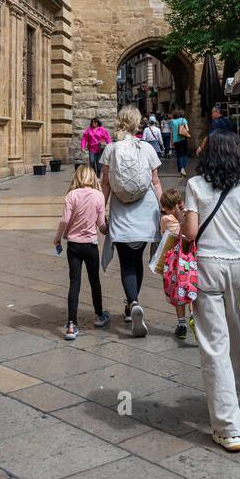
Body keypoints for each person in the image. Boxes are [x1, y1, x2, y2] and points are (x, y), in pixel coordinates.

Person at [177, 130, 240, 453]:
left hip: (207, 265)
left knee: (214, 343)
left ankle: (228, 427)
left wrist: (180, 224)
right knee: (234, 333)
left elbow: (191, 232)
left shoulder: (195, 186)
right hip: (239, 266)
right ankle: (233, 397)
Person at [100, 104, 162, 336]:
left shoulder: (110, 149)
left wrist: (100, 213)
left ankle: (133, 303)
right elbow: (155, 182)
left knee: (126, 262)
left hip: (121, 211)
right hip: (146, 212)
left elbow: (105, 184)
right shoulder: (147, 149)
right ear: (138, 124)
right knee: (138, 258)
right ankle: (131, 304)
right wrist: (164, 209)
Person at [54, 164, 110, 340]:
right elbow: (101, 225)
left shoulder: (71, 195)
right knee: (94, 281)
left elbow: (64, 220)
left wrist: (58, 238)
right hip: (90, 245)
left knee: (74, 283)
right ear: (93, 177)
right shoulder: (99, 196)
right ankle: (99, 315)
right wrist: (107, 228)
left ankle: (71, 325)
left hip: (74, 246)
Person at [159, 188, 194, 340]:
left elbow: (164, 236)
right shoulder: (189, 216)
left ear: (166, 207)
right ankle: (193, 315)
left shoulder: (165, 220)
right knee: (191, 288)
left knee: (179, 290)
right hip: (190, 260)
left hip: (176, 264)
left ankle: (181, 325)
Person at [170, 107, 190, 176]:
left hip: (176, 140)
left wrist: (171, 142)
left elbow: (172, 133)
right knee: (184, 153)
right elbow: (187, 129)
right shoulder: (183, 120)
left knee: (179, 154)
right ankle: (183, 168)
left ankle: (181, 169)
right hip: (183, 139)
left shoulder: (172, 121)